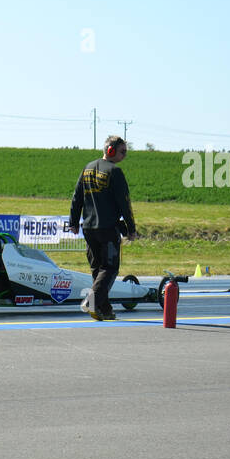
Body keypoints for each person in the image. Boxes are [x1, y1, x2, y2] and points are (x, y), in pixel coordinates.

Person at [68, 135, 138, 321]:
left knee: (97, 270)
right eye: (123, 151)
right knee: (110, 268)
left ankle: (104, 309)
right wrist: (131, 229)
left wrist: (73, 222)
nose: (125, 156)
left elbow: (76, 198)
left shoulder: (87, 168)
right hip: (107, 228)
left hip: (89, 228)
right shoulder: (115, 172)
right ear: (111, 150)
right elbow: (125, 204)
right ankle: (91, 302)